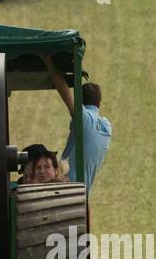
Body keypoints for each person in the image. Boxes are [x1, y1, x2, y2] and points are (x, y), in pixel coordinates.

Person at [43, 56, 111, 193]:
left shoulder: (83, 118)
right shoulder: (107, 127)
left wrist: (47, 59)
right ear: (99, 103)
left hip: (67, 191)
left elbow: (62, 87)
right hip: (82, 195)